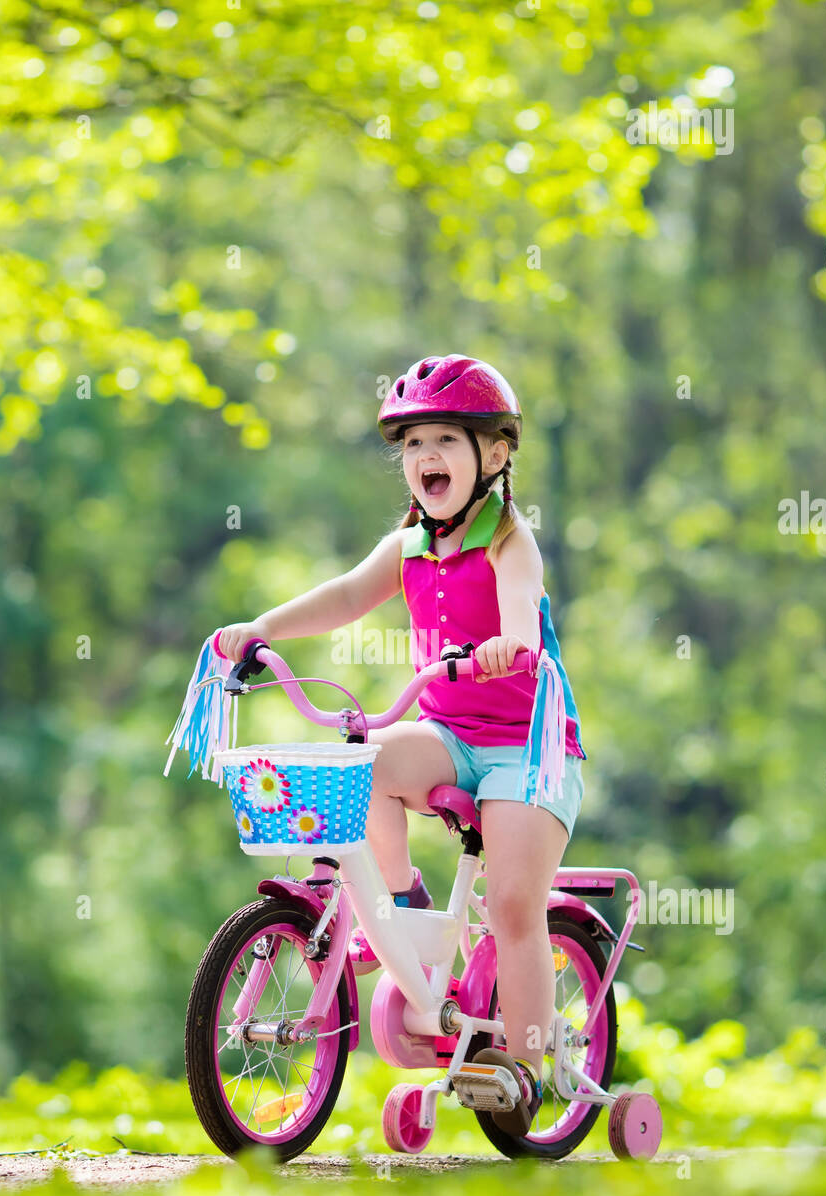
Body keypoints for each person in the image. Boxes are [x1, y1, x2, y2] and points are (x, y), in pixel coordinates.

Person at [216, 354, 587, 1138]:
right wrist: (264, 628)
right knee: (365, 765)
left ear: (493, 454)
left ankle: (521, 1069)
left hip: (529, 747)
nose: (425, 459)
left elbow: (520, 611)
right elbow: (349, 594)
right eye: (413, 443)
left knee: (515, 907)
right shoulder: (411, 545)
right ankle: (403, 906)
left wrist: (507, 647)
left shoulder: (510, 543)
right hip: (452, 736)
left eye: (446, 440)